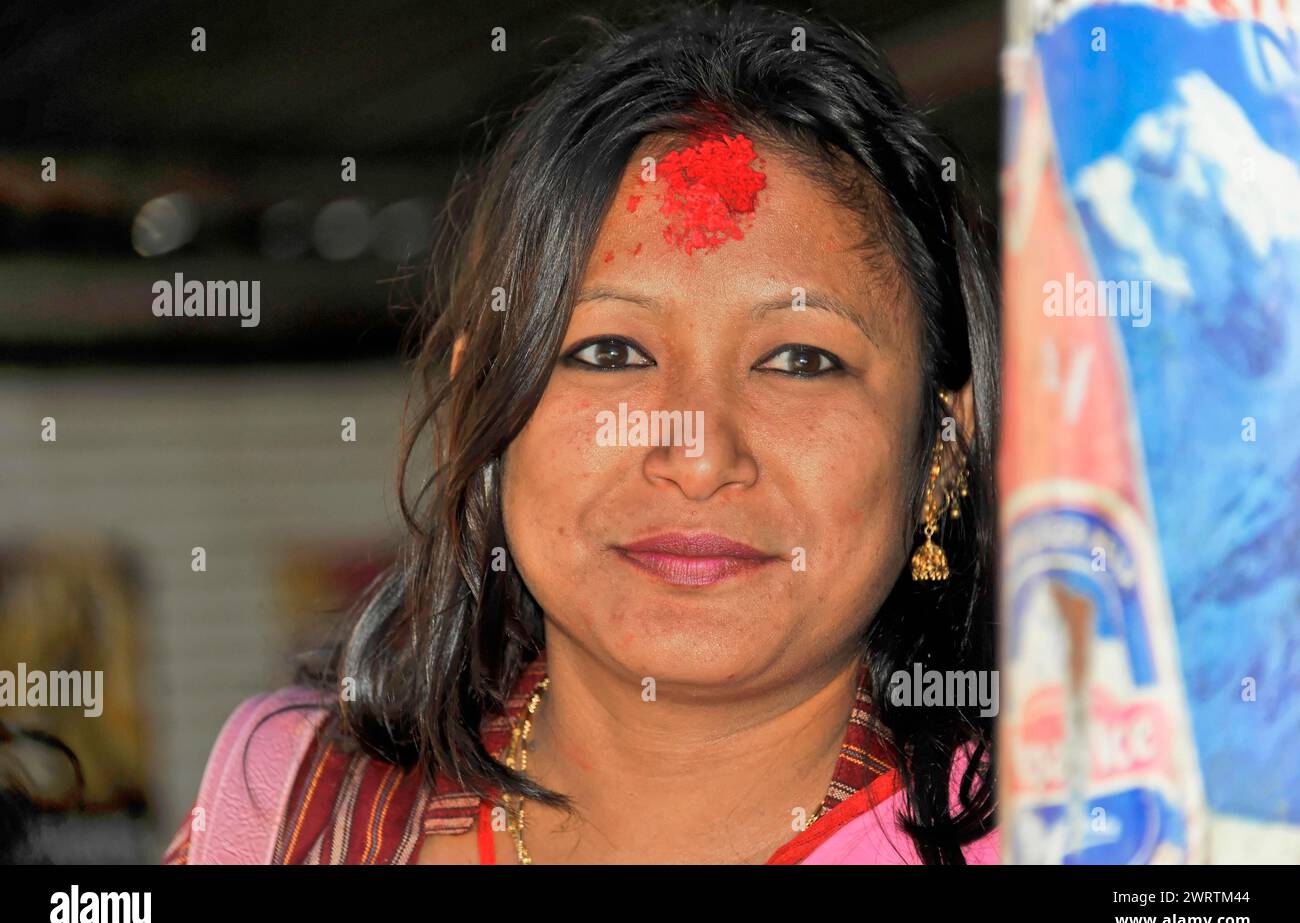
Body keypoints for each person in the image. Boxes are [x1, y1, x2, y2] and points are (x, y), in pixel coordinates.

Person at [164, 0, 1000, 866]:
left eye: (798, 359)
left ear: (942, 442)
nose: (699, 453)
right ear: (482, 413)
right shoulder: (289, 810)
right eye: (609, 350)